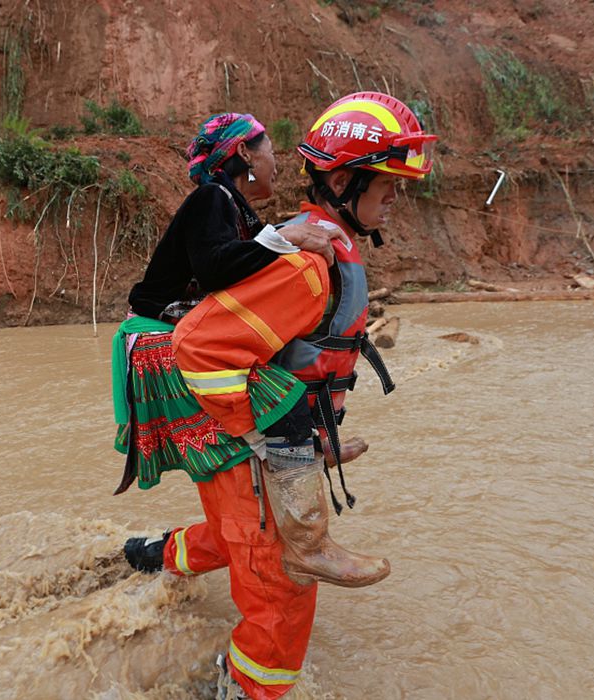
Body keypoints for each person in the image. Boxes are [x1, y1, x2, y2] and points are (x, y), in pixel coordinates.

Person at [136, 92, 438, 699]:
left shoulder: (317, 248)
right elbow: (200, 347)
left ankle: (146, 558)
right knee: (281, 591)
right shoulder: (306, 264)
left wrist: (311, 439)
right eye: (389, 184)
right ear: (346, 180)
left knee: (232, 536)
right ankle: (247, 690)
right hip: (243, 446)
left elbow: (287, 355)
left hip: (230, 444)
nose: (396, 198)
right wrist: (265, 437)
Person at [111, 112, 346, 501]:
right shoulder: (212, 198)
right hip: (161, 342)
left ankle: (293, 466)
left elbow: (253, 259)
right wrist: (287, 235)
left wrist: (300, 234)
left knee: (282, 401)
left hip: (188, 340)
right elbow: (215, 269)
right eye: (270, 151)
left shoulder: (237, 211)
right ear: (245, 154)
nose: (276, 163)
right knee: (282, 398)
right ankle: (296, 497)